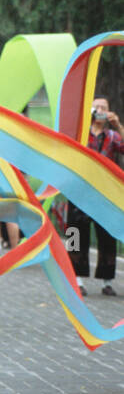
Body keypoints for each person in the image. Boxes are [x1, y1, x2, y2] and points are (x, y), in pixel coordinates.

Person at [66, 97, 123, 296]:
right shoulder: (80, 133)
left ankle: (106, 281)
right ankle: (76, 279)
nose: (100, 110)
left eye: (104, 108)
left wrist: (118, 125)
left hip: (104, 194)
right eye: (96, 107)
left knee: (107, 237)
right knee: (75, 234)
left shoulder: (113, 136)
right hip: (78, 191)